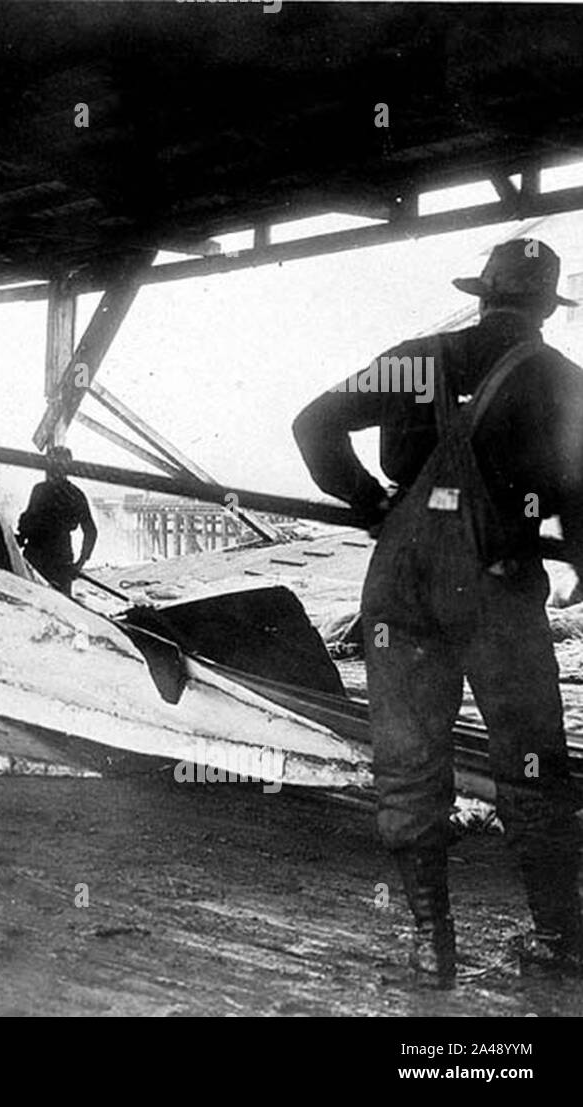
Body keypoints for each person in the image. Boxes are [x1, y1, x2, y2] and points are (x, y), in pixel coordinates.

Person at [292, 239, 583, 986]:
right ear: (545, 307)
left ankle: (432, 946)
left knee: (409, 765)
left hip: (401, 582)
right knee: (531, 764)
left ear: (483, 296)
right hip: (496, 583)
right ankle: (558, 939)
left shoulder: (418, 359)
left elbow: (313, 424)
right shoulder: (561, 380)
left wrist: (369, 502)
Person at [16, 445, 98, 596]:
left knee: (32, 601)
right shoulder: (74, 494)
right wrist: (79, 563)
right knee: (59, 605)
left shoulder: (41, 490)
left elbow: (91, 531)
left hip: (42, 557)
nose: (55, 469)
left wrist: (80, 563)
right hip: (56, 558)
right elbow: (90, 531)